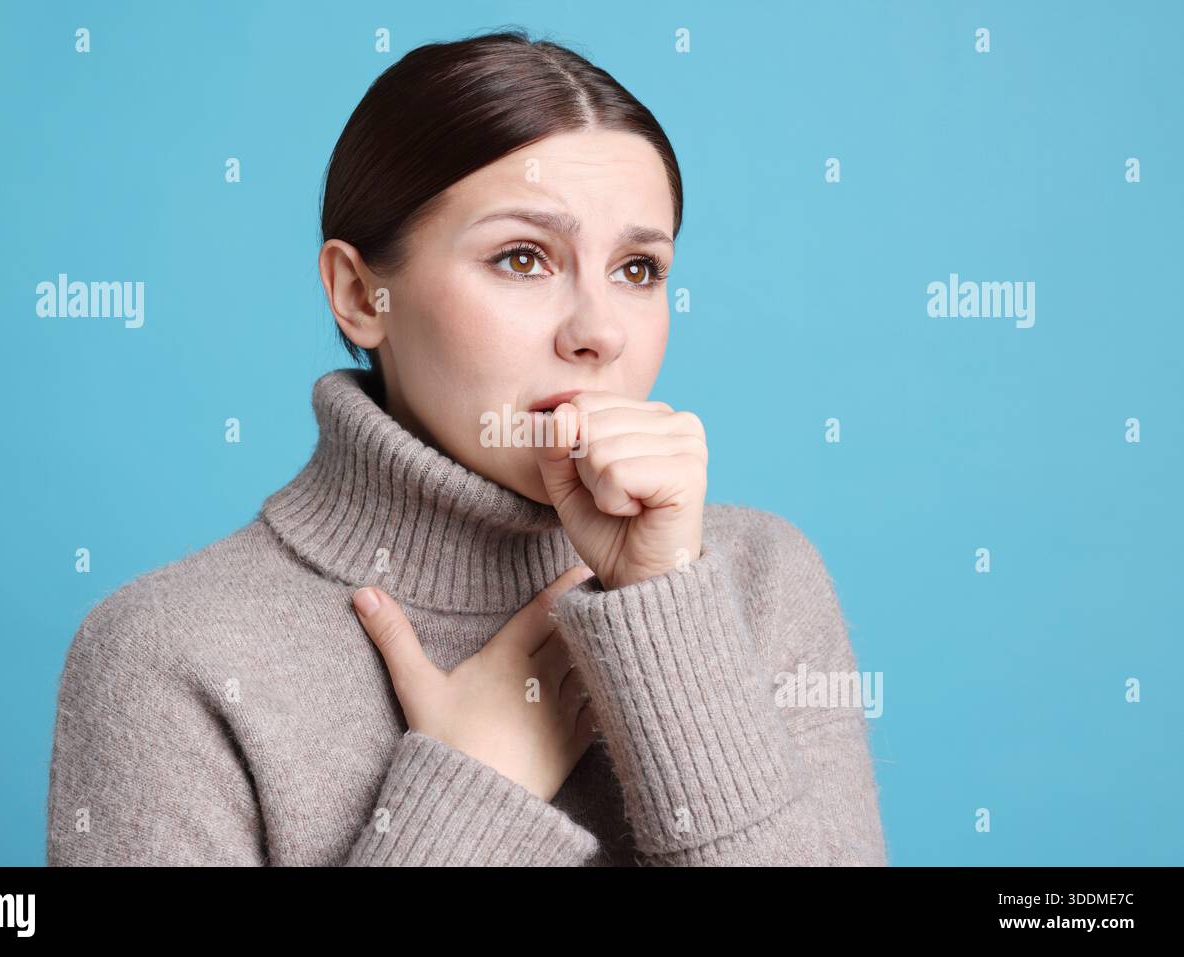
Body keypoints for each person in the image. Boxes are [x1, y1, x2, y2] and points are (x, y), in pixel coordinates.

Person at [45, 28, 888, 866]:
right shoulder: (168, 654)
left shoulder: (758, 580)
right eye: (524, 258)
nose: (599, 331)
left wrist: (668, 617)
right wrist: (469, 801)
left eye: (638, 269)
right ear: (358, 293)